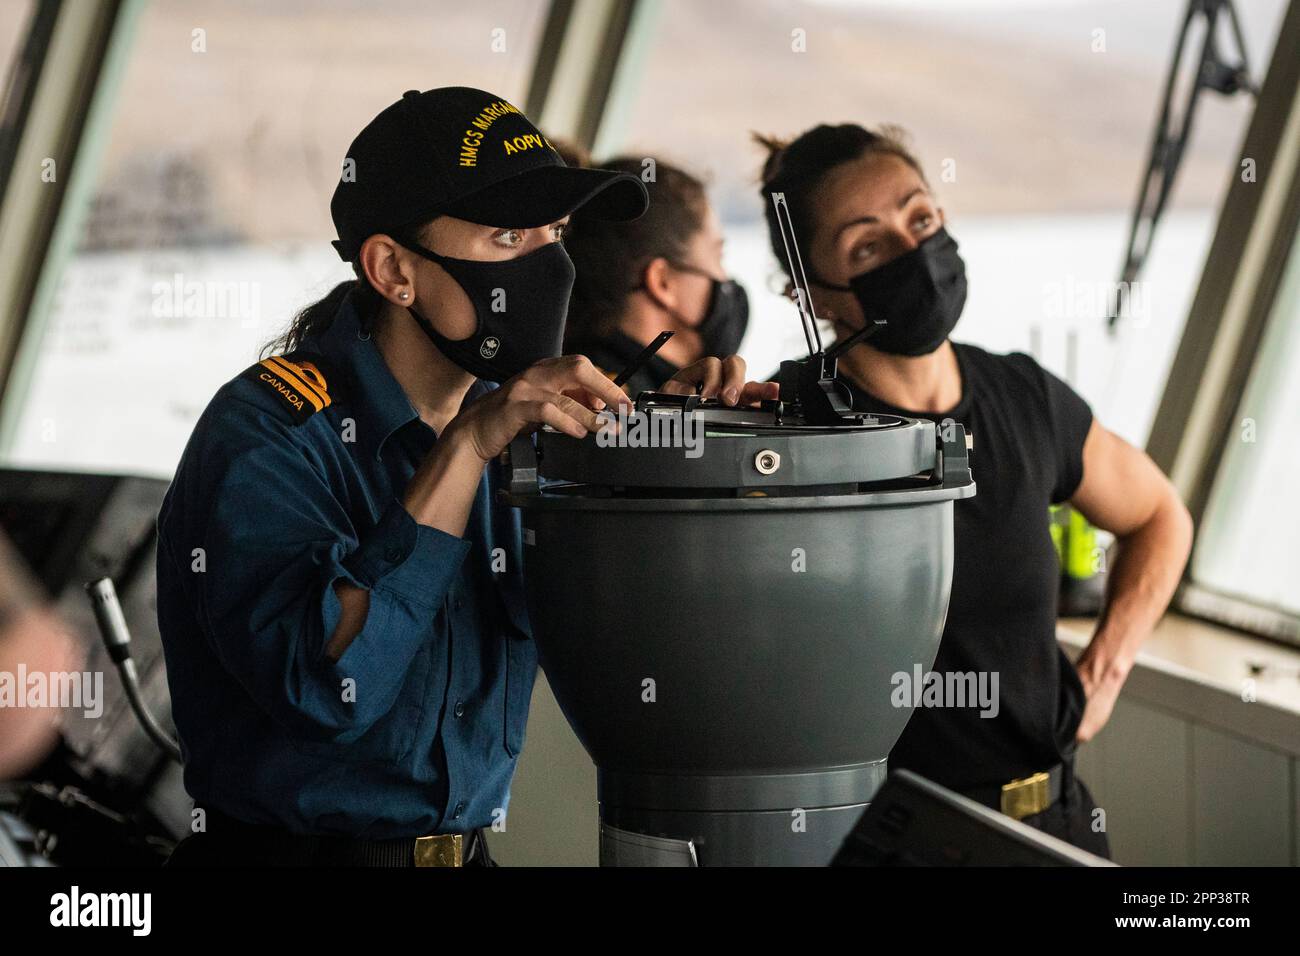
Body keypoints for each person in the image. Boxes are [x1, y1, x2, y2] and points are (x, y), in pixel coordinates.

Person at [157, 87, 771, 867]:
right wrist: (466, 449)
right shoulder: (270, 434)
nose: (548, 265)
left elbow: (643, 639)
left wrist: (683, 456)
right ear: (394, 270)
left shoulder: (526, 431)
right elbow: (325, 687)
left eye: (556, 232)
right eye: (508, 235)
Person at [754, 123, 1194, 858]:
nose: (912, 253)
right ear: (812, 295)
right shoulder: (784, 427)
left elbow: (1158, 514)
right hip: (886, 838)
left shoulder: (1023, 396)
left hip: (1052, 820)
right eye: (867, 245)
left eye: (919, 218)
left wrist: (1104, 674)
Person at [564, 158, 750, 395]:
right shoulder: (618, 406)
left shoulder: (578, 378)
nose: (725, 277)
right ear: (662, 282)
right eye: (718, 256)